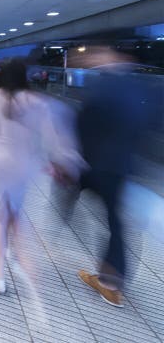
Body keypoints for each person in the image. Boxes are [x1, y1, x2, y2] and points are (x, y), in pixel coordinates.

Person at [0, 59, 83, 295]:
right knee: (14, 209)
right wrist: (61, 162)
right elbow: (54, 136)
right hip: (21, 163)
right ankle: (20, 256)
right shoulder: (38, 102)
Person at [75, 49, 152, 307]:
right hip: (121, 164)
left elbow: (83, 124)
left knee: (113, 222)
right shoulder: (138, 86)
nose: (89, 58)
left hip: (100, 165)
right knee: (115, 221)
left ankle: (110, 282)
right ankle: (112, 277)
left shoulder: (105, 85)